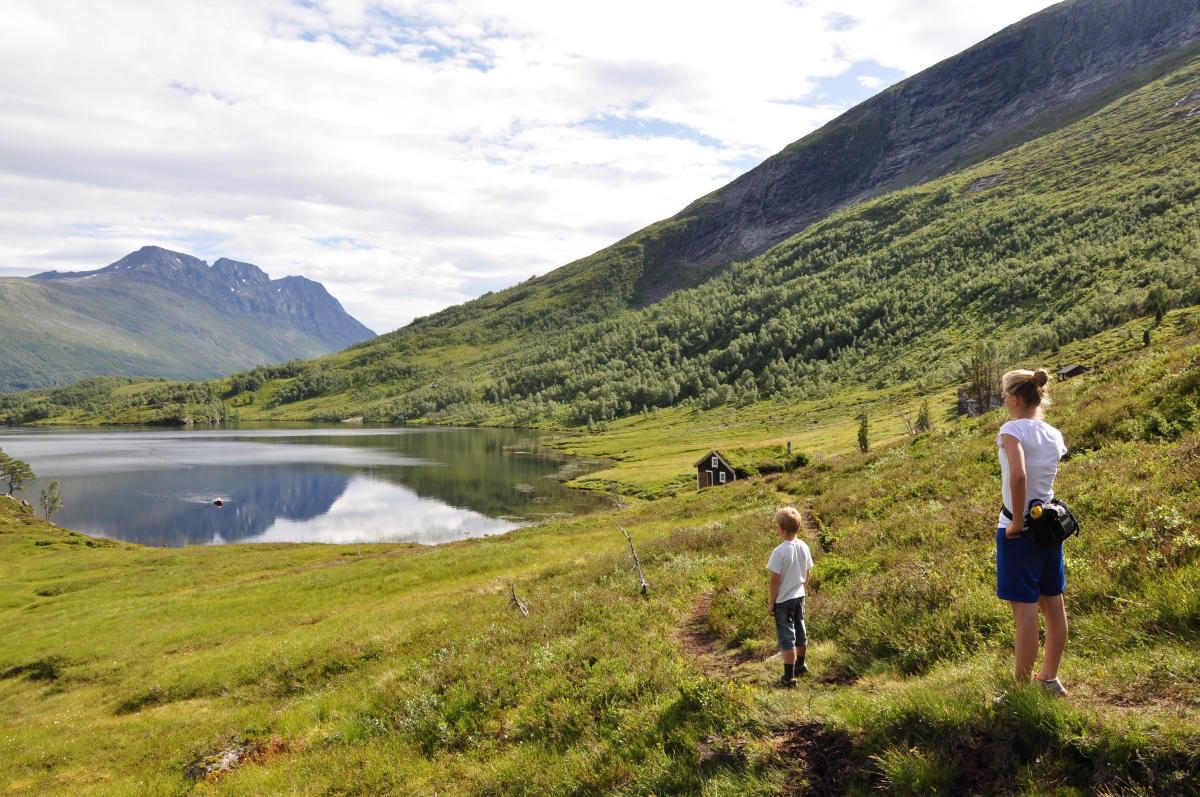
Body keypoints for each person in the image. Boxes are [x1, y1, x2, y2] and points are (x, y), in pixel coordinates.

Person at [995, 368, 1070, 697]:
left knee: (1024, 611)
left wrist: (1016, 522)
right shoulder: (1053, 433)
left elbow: (1020, 476)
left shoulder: (1011, 430)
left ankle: (1019, 689)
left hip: (1020, 529)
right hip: (1049, 527)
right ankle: (1049, 679)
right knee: (1054, 606)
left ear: (1013, 398)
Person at [767, 506, 813, 688]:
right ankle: (801, 665)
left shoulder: (779, 551)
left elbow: (774, 579)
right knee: (801, 632)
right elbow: (807, 572)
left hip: (784, 601)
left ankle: (788, 678)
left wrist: (772, 602)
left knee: (787, 638)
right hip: (799, 596)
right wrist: (803, 590)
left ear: (781, 529)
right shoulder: (804, 546)